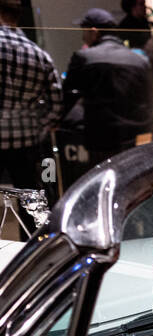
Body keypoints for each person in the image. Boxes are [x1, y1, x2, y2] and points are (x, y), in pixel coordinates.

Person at [61, 8, 153, 165]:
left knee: (105, 183)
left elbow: (68, 97)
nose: (83, 36)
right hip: (136, 137)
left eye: (83, 31)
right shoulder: (140, 60)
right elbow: (149, 100)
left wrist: (56, 120)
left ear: (93, 31)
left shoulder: (84, 58)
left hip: (102, 140)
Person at [0, 0, 62, 201]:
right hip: (26, 143)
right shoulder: (39, 54)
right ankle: (30, 234)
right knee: (30, 201)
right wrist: (38, 127)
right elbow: (57, 105)